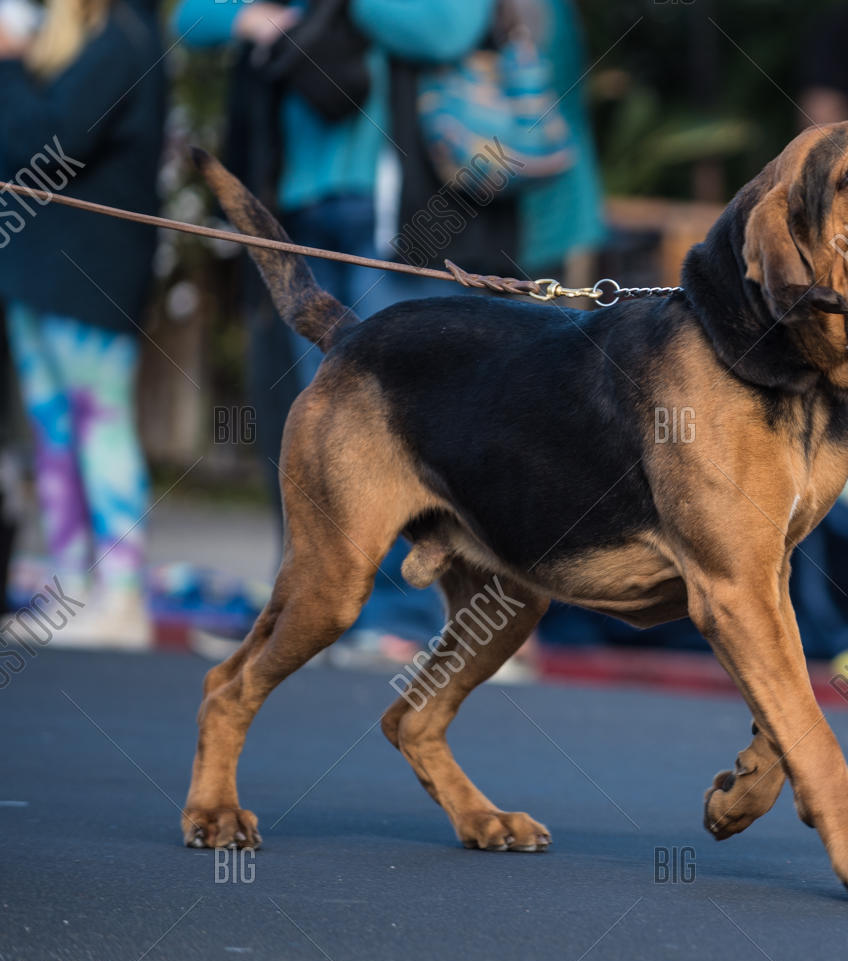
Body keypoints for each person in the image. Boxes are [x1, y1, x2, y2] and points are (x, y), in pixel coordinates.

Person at [176, 0, 604, 666]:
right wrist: (250, 20)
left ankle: (405, 616)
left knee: (418, 424)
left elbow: (450, 27)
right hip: (302, 205)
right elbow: (190, 19)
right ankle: (308, 607)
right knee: (323, 420)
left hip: (409, 217)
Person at [0, 0, 165, 648]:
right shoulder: (91, 37)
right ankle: (70, 590)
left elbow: (46, 144)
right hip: (41, 270)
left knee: (99, 424)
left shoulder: (125, 37)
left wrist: (9, 63)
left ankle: (122, 599)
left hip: (90, 271)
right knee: (53, 434)